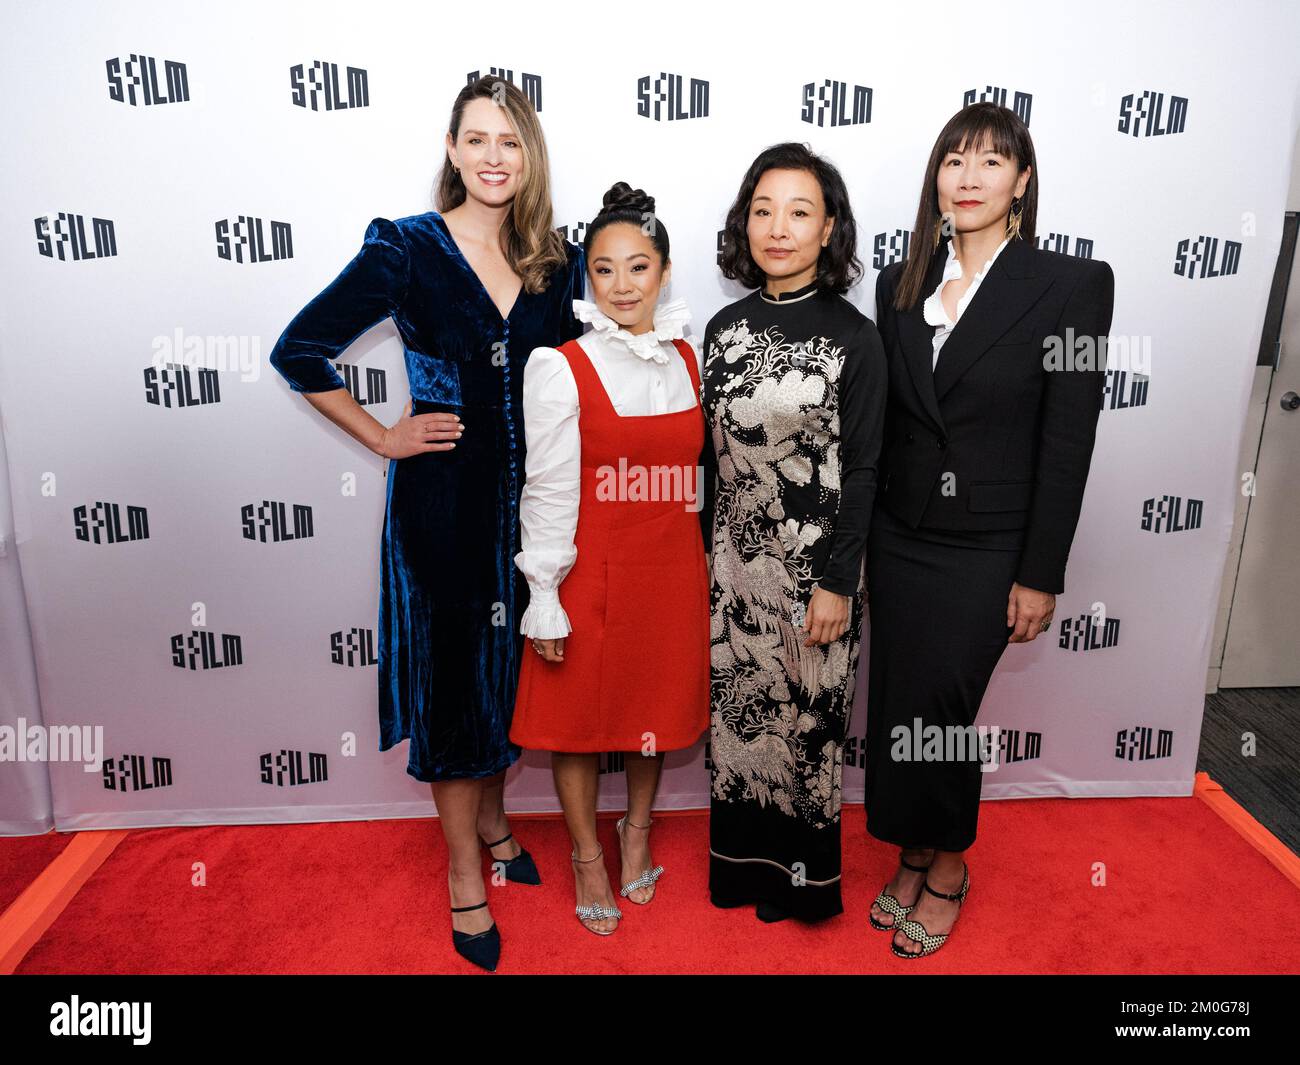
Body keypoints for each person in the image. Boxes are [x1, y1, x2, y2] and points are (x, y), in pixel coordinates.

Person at [267, 76, 585, 972]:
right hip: (442, 509)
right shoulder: (406, 248)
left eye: (510, 141)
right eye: (476, 139)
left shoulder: (556, 262)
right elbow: (299, 348)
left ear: (530, 155)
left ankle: (494, 820)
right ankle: (464, 873)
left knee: (508, 676)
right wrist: (383, 435)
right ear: (451, 149)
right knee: (454, 688)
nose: (493, 157)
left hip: (533, 511)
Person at [865, 101, 1115, 958]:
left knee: (943, 707)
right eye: (954, 160)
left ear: (1023, 181)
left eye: (991, 161)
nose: (968, 178)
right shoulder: (899, 285)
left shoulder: (1074, 285)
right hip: (900, 535)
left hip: (989, 546)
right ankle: (912, 848)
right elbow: (891, 424)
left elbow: (1070, 438)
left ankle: (947, 868)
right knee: (900, 700)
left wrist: (1041, 571)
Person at [510, 183, 710, 935]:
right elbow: (548, 485)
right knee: (579, 724)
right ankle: (587, 855)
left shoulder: (687, 358)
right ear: (586, 277)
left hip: (672, 573)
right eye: (603, 269)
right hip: (591, 573)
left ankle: (638, 831)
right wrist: (545, 592)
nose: (622, 285)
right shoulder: (560, 366)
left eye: (638, 266)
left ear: (665, 272)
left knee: (651, 713)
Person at [700, 144, 886, 923]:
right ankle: (741, 873)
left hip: (816, 582)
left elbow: (865, 470)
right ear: (745, 223)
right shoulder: (722, 329)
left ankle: (800, 887)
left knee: (807, 735)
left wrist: (840, 581)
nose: (778, 228)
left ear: (829, 228)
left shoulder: (854, 338)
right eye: (764, 210)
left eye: (799, 211)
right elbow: (709, 462)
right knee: (741, 727)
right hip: (734, 577)